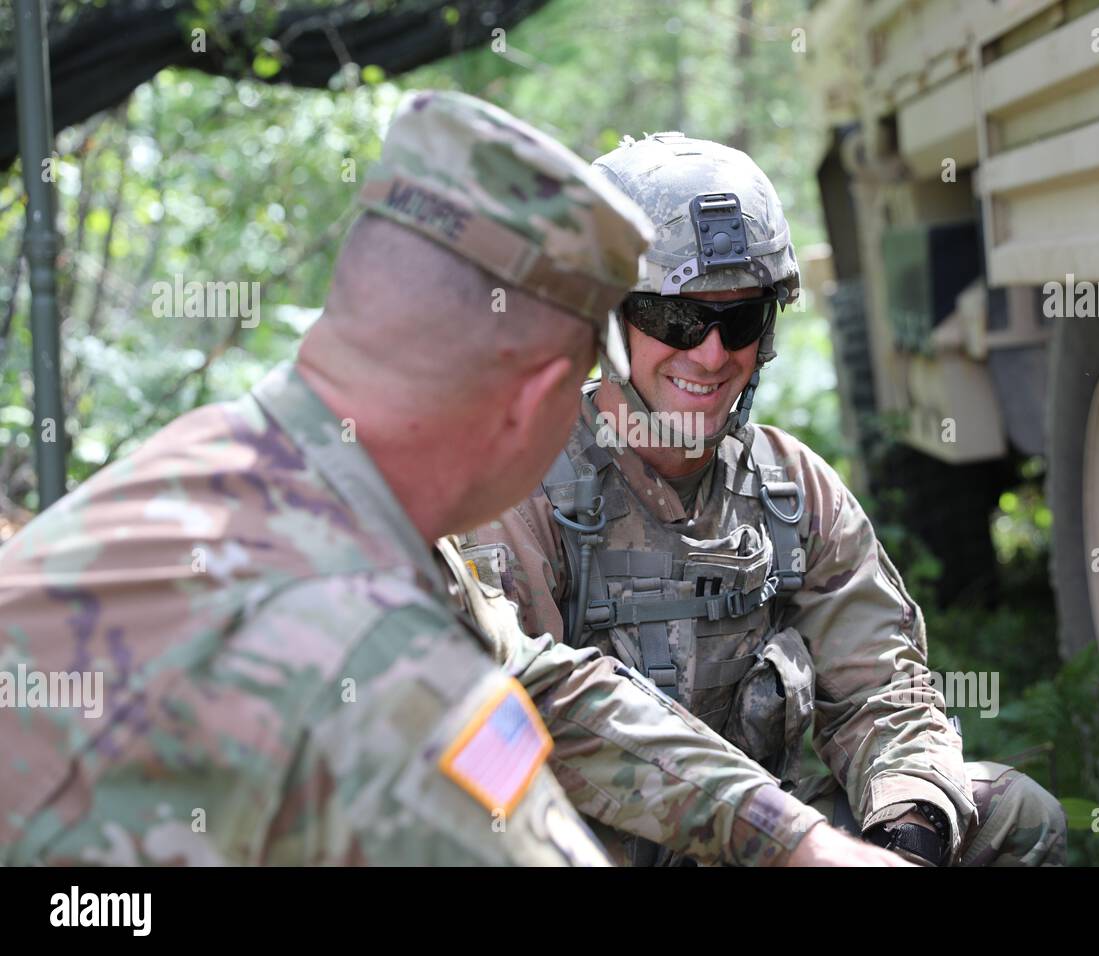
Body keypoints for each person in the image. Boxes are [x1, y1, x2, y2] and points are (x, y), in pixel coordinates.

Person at [0, 98, 898, 867]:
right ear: (541, 397)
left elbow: (538, 681)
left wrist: (790, 837)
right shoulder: (383, 668)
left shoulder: (242, 466)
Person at [460, 132, 1068, 866]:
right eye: (673, 319)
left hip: (772, 845)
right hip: (589, 848)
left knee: (1013, 816)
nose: (711, 354)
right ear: (604, 322)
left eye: (739, 319)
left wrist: (905, 834)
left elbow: (881, 688)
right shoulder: (522, 491)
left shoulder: (790, 486)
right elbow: (504, 736)